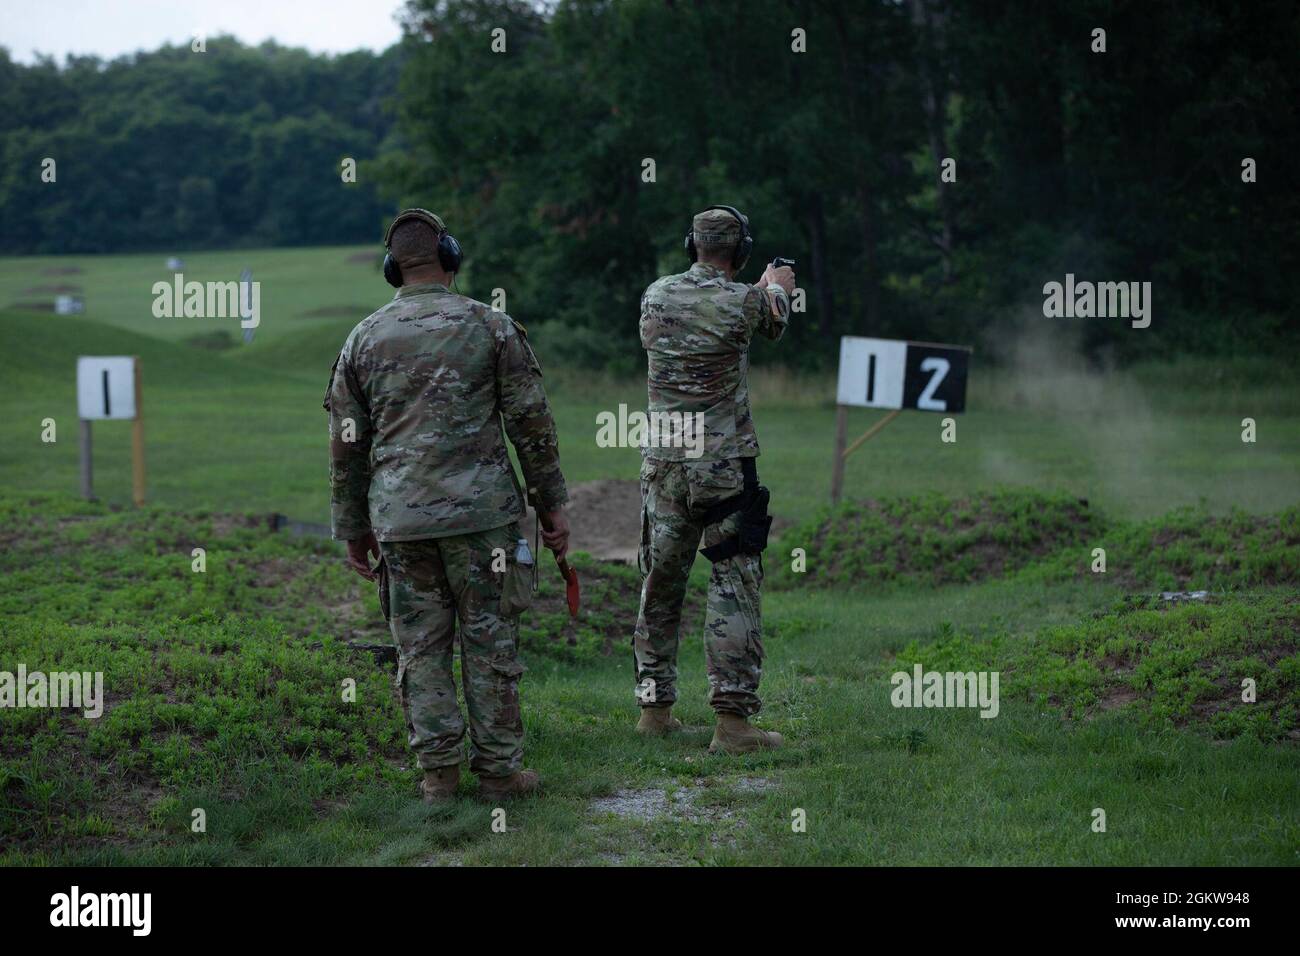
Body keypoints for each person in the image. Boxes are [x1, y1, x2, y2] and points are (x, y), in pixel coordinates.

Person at [324, 208, 569, 800]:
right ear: (450, 257)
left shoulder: (363, 337)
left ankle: (438, 778)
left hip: (401, 523)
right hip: (483, 521)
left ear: (392, 268)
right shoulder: (491, 326)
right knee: (489, 642)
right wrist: (552, 503)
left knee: (420, 648)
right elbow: (530, 424)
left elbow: (346, 444)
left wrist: (352, 526)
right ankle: (500, 774)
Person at [633, 205, 795, 753]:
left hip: (664, 461)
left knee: (661, 580)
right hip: (722, 465)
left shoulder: (657, 293)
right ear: (742, 251)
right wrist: (778, 287)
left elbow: (702, 313)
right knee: (732, 582)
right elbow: (772, 324)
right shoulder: (749, 299)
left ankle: (654, 711)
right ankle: (733, 725)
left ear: (691, 245)